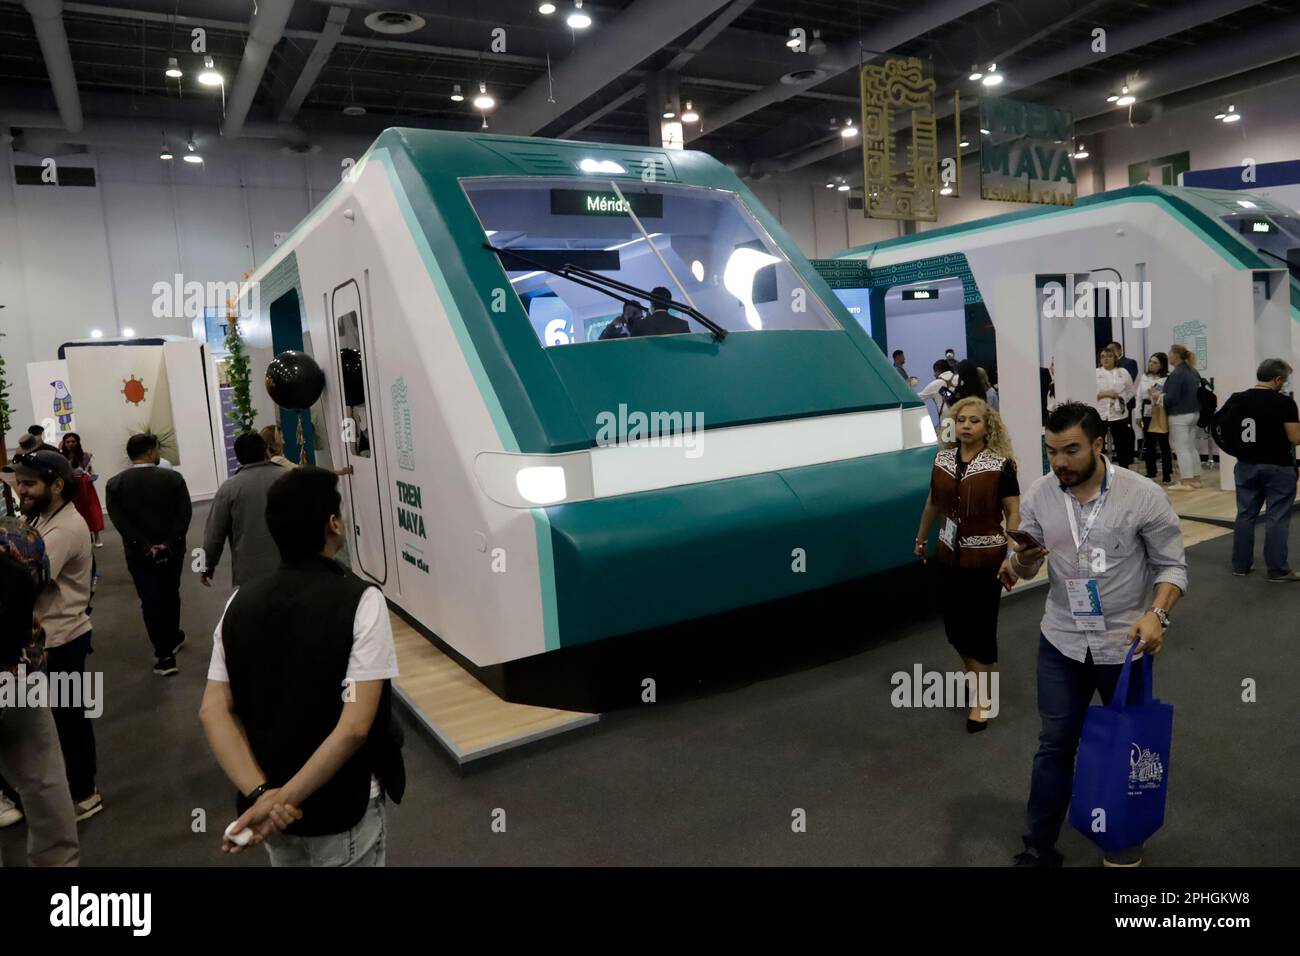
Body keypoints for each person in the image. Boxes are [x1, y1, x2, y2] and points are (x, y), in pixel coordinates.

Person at [1001, 402, 1186, 867]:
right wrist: (1022, 560)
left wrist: (1157, 617)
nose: (1059, 462)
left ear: (1099, 445)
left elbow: (1172, 566)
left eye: (1071, 450)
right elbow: (1027, 567)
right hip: (1062, 640)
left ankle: (1122, 839)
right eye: (1051, 451)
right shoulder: (1041, 495)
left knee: (1131, 746)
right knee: (1055, 746)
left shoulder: (1142, 495)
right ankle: (1038, 848)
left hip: (1127, 646)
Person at [199, 467, 405, 866]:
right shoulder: (362, 601)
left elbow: (213, 710)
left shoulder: (238, 602)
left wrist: (263, 797)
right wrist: (282, 800)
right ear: (333, 524)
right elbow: (355, 726)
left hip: (275, 814)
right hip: (340, 805)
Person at [1, 451, 100, 823]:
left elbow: (23, 584)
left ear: (57, 485)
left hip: (62, 639)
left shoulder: (62, 530)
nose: (21, 490)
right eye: (19, 482)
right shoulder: (42, 516)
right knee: (62, 720)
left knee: (68, 720)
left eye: (29, 483)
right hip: (52, 637)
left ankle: (84, 793)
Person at [914, 398, 1020, 731]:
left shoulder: (1001, 465)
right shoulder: (942, 459)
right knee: (954, 628)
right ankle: (977, 676)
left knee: (980, 627)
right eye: (961, 420)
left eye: (974, 421)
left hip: (986, 558)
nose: (966, 426)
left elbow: (1013, 511)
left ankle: (982, 699)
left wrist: (1014, 551)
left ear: (988, 427)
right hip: (947, 555)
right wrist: (921, 538)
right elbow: (933, 501)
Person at [0, 517, 80, 864]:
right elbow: (38, 586)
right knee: (44, 782)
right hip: (19, 675)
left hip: (18, 677)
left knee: (45, 781)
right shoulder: (18, 537)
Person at [105, 434, 192, 676]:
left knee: (150, 600)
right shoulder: (173, 478)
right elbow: (184, 515)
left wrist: (144, 544)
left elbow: (120, 521)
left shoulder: (115, 484)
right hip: (173, 551)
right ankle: (173, 637)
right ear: (152, 451)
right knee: (170, 593)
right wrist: (167, 543)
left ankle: (164, 656)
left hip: (138, 555)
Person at [1224, 359, 1300, 581]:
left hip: (1246, 465)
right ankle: (1277, 569)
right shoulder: (1284, 403)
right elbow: (1294, 438)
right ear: (1277, 379)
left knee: (1245, 514)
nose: (1284, 384)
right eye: (1284, 380)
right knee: (1277, 516)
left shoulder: (1237, 399)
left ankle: (1241, 565)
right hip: (1278, 467)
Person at [202, 432, 286, 590]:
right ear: (266, 451)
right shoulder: (290, 477)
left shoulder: (229, 488)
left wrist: (206, 566)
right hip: (293, 566)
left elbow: (214, 533)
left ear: (238, 458)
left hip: (251, 571)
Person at [1164, 344, 1204, 489]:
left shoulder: (1176, 374)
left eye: (1169, 353)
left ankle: (1185, 481)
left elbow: (1172, 398)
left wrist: (1158, 396)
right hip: (1194, 413)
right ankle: (1196, 479)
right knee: (1191, 447)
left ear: (1175, 355)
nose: (1168, 356)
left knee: (1181, 448)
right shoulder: (1193, 371)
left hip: (1179, 415)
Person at [59, 433, 104, 548]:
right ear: (64, 443)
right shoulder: (61, 457)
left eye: (73, 441)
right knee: (76, 512)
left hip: (84, 486)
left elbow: (90, 470)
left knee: (90, 510)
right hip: (69, 486)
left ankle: (97, 536)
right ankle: (86, 536)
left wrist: (92, 476)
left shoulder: (85, 456)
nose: (70, 444)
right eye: (68, 442)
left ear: (78, 442)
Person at [1095, 346, 1135, 468]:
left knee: (1121, 445)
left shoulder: (1123, 372)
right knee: (1098, 446)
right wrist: (1106, 394)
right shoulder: (1096, 373)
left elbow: (1131, 391)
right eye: (1102, 357)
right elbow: (1090, 393)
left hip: (1119, 415)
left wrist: (1122, 400)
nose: (1105, 359)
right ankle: (1099, 471)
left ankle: (1124, 470)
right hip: (1101, 414)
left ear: (1115, 358)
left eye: (1109, 356)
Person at [1137, 353, 1172, 484]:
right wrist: (1137, 414)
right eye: (1150, 362)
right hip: (1146, 409)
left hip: (1160, 409)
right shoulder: (1144, 376)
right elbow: (1139, 396)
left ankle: (1167, 472)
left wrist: (1156, 394)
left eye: (1155, 362)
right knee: (1149, 442)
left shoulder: (1167, 378)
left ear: (1162, 365)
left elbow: (1166, 394)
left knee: (1163, 443)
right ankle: (1151, 470)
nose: (1151, 364)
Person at [918, 360, 959, 427]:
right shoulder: (959, 378)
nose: (934, 375)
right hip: (962, 417)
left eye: (935, 372)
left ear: (938, 371)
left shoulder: (935, 384)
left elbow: (919, 397)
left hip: (947, 420)